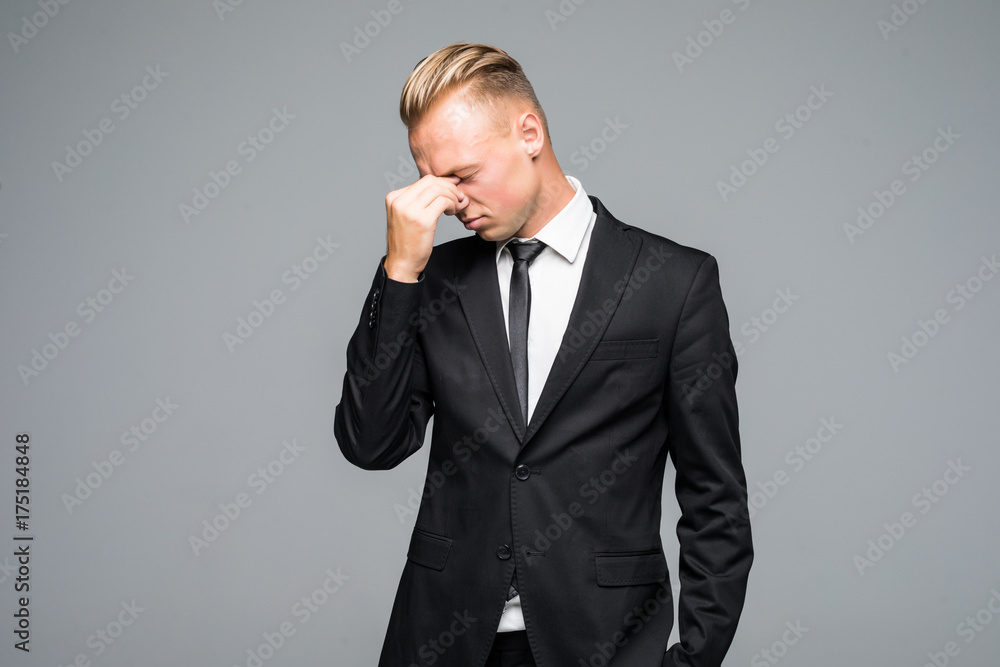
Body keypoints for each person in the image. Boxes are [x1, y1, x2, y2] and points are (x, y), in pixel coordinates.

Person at [334, 42, 752, 667]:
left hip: (603, 641)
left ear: (529, 132)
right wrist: (399, 274)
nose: (449, 202)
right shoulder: (432, 278)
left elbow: (714, 497)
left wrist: (693, 659)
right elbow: (372, 444)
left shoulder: (673, 282)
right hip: (443, 639)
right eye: (431, 180)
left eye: (462, 175)